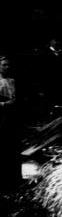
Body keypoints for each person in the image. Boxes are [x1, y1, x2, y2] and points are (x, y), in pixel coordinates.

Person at [0, 55, 20, 190]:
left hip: (12, 116)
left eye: (8, 65)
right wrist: (3, 104)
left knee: (13, 146)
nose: (7, 67)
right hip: (1, 116)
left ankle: (15, 179)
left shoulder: (12, 80)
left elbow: (16, 98)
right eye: (4, 65)